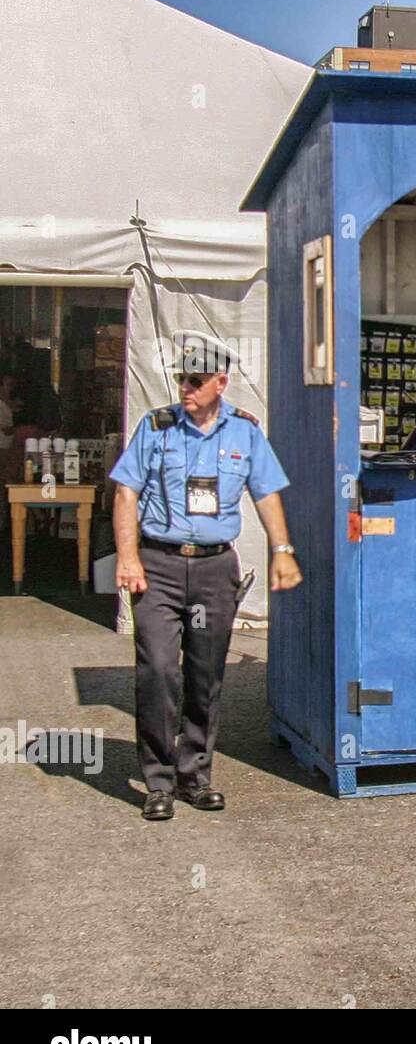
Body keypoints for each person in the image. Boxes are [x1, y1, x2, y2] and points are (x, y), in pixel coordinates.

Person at [110, 334, 302, 821]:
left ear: (222, 382)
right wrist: (128, 557)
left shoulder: (245, 432)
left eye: (196, 380)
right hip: (159, 565)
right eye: (181, 379)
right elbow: (126, 493)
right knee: (157, 669)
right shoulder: (156, 428)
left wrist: (282, 551)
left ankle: (194, 775)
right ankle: (157, 780)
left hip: (216, 566)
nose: (185, 388)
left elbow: (266, 495)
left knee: (205, 674)